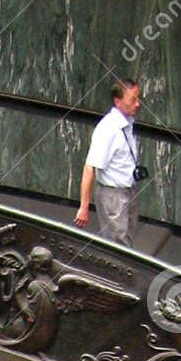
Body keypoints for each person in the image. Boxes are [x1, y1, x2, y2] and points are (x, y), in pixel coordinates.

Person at [74, 77, 142, 246]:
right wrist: (84, 207)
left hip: (128, 190)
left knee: (127, 238)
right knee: (117, 243)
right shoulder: (107, 129)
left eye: (138, 99)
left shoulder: (127, 124)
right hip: (113, 195)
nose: (137, 104)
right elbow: (90, 167)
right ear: (117, 101)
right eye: (132, 100)